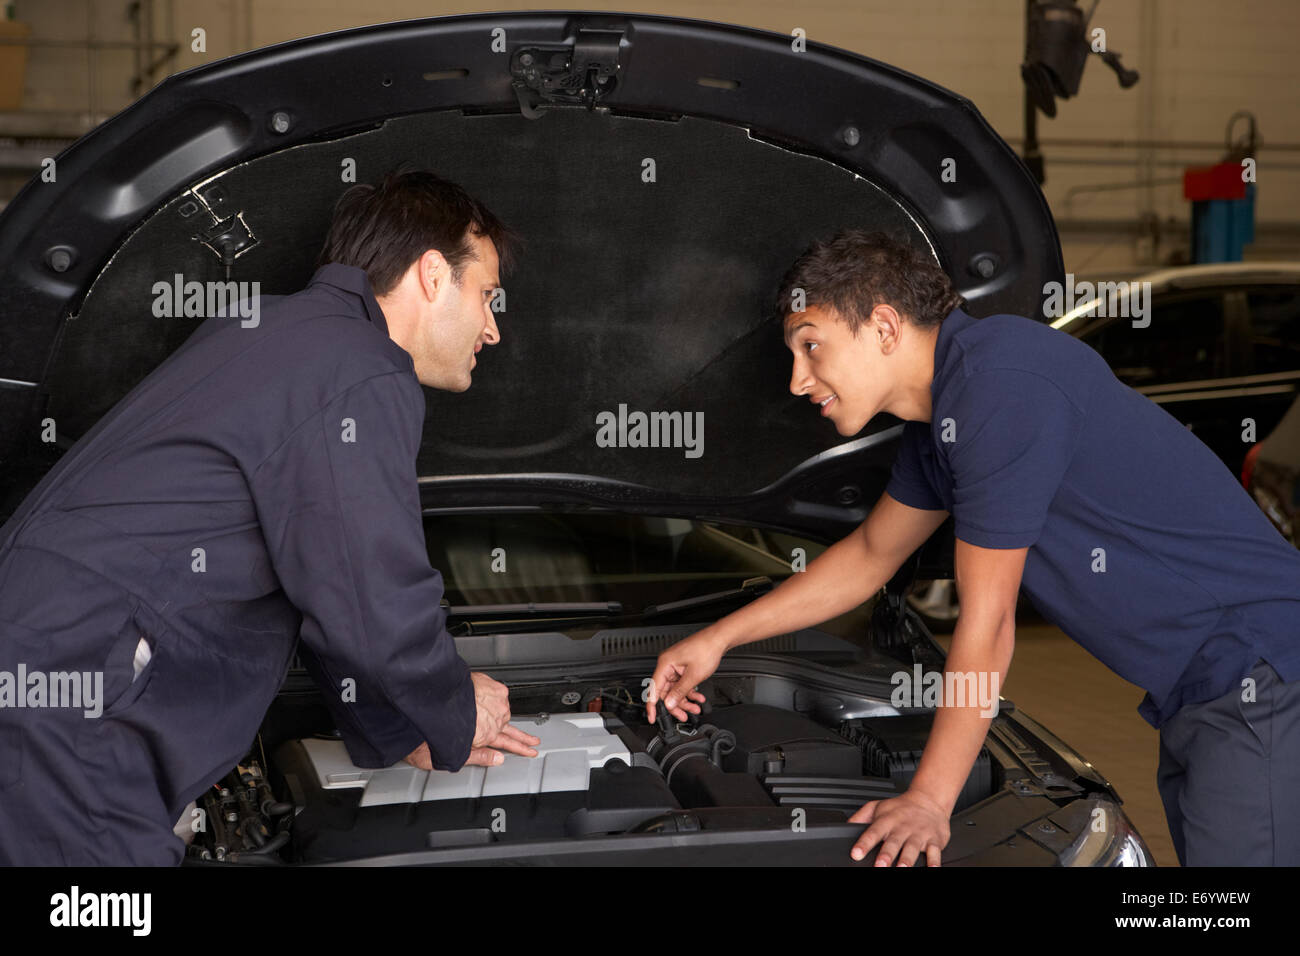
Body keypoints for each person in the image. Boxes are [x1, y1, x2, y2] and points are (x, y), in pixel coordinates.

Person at [647, 229, 1300, 867]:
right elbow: (870, 556)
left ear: (882, 326)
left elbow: (988, 624)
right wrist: (718, 639)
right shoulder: (948, 420)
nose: (797, 379)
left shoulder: (1000, 387)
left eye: (811, 346)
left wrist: (931, 798)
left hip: (1258, 672)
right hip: (1202, 693)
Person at [0, 167, 540, 865]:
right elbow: (371, 587)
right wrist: (455, 711)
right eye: (487, 296)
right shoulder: (359, 366)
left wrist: (395, 723)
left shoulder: (274, 332)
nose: (493, 329)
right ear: (434, 274)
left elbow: (317, 576)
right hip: (75, 705)